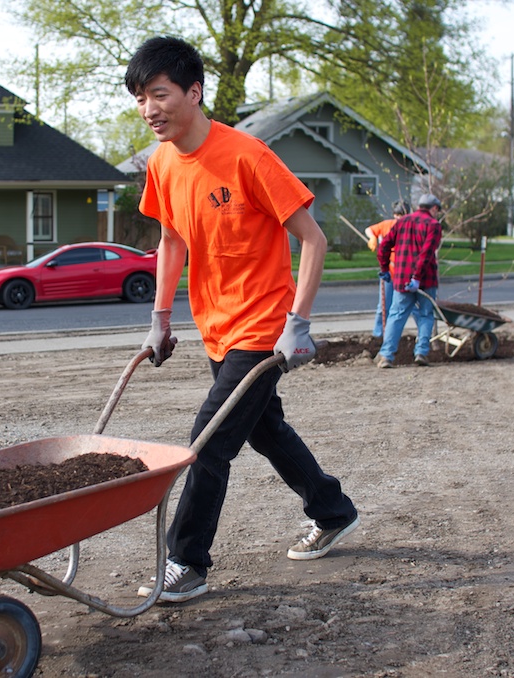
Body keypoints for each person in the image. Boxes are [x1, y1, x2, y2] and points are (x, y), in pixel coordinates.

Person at [125, 36, 359, 604]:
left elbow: (313, 238)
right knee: (263, 428)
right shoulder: (161, 163)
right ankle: (333, 510)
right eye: (139, 98)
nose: (149, 109)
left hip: (262, 330)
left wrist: (297, 324)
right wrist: (160, 317)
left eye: (159, 94)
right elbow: (171, 239)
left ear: (194, 92)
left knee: (207, 444)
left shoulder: (247, 156)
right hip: (216, 329)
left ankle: (186, 562)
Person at [375, 194, 443, 368]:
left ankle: (386, 356)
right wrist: (417, 277)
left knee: (396, 315)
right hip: (425, 280)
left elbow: (384, 246)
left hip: (402, 278)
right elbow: (426, 253)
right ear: (434, 208)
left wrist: (384, 268)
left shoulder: (402, 221)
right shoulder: (434, 225)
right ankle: (421, 353)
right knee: (426, 315)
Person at [364, 200, 410, 337]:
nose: (398, 218)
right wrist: (372, 238)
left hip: (405, 274)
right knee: (384, 306)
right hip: (389, 273)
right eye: (396, 215)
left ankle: (393, 334)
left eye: (401, 215)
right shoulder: (387, 225)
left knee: (403, 306)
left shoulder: (410, 228)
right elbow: (369, 229)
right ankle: (379, 334)